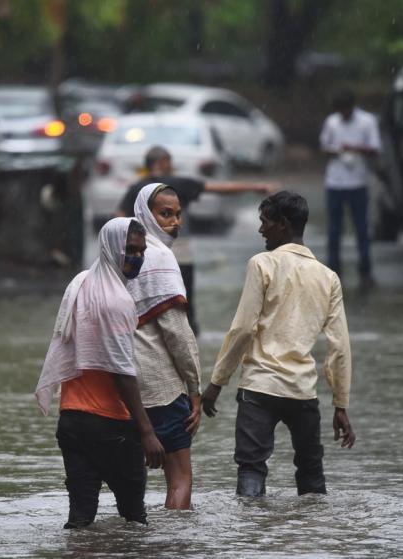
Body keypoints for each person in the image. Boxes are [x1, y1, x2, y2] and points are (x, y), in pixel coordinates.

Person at [201, 190, 355, 497]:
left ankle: (253, 539)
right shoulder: (328, 277)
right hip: (302, 390)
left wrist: (217, 382)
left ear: (283, 224)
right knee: (311, 471)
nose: (261, 230)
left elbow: (244, 329)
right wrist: (341, 404)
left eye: (265, 222)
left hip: (259, 387)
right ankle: (311, 539)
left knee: (251, 468)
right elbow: (340, 346)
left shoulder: (262, 264)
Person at [35, 217, 166, 528]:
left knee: (80, 520)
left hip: (72, 421)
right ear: (111, 249)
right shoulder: (117, 301)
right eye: (131, 250)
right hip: (113, 427)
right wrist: (147, 431)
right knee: (135, 522)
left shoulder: (81, 283)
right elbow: (121, 370)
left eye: (141, 251)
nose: (137, 257)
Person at [117, 145, 275, 335]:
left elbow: (119, 217)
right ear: (164, 162)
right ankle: (189, 336)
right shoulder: (178, 184)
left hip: (145, 253)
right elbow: (218, 188)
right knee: (184, 302)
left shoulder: (137, 188)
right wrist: (256, 187)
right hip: (179, 252)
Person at [126, 182, 203, 510]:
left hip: (120, 387)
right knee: (180, 478)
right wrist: (195, 388)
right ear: (146, 213)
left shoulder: (119, 253)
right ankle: (174, 543)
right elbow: (178, 335)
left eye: (178, 214)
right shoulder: (160, 258)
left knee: (129, 483)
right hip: (161, 388)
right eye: (165, 214)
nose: (175, 222)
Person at [319, 88, 381, 288]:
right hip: (335, 182)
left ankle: (365, 271)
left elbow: (374, 148)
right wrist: (336, 151)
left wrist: (354, 148)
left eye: (345, 110)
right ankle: (334, 272)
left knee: (361, 228)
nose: (342, 115)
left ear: (352, 107)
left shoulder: (367, 121)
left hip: (357, 182)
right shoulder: (332, 122)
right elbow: (324, 147)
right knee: (334, 230)